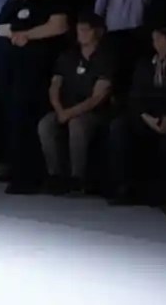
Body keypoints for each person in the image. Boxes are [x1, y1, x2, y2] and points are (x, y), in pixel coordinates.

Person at [0, 0, 70, 194]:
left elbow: (59, 25)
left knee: (35, 122)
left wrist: (28, 35)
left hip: (41, 73)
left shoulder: (47, 1)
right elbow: (2, 29)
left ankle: (43, 175)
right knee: (16, 122)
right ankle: (20, 173)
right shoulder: (12, 5)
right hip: (15, 73)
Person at [107, 25, 166, 206]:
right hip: (145, 116)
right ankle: (124, 187)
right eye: (154, 39)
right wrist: (147, 118)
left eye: (161, 39)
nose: (157, 43)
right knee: (119, 127)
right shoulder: (144, 64)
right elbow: (135, 96)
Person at [37, 12, 115, 195]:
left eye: (86, 30)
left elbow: (98, 97)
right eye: (79, 29)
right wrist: (59, 109)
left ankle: (77, 177)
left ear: (98, 32)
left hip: (92, 111)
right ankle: (55, 175)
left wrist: (70, 113)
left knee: (77, 125)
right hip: (64, 108)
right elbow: (55, 86)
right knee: (45, 124)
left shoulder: (106, 58)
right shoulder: (68, 57)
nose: (81, 33)